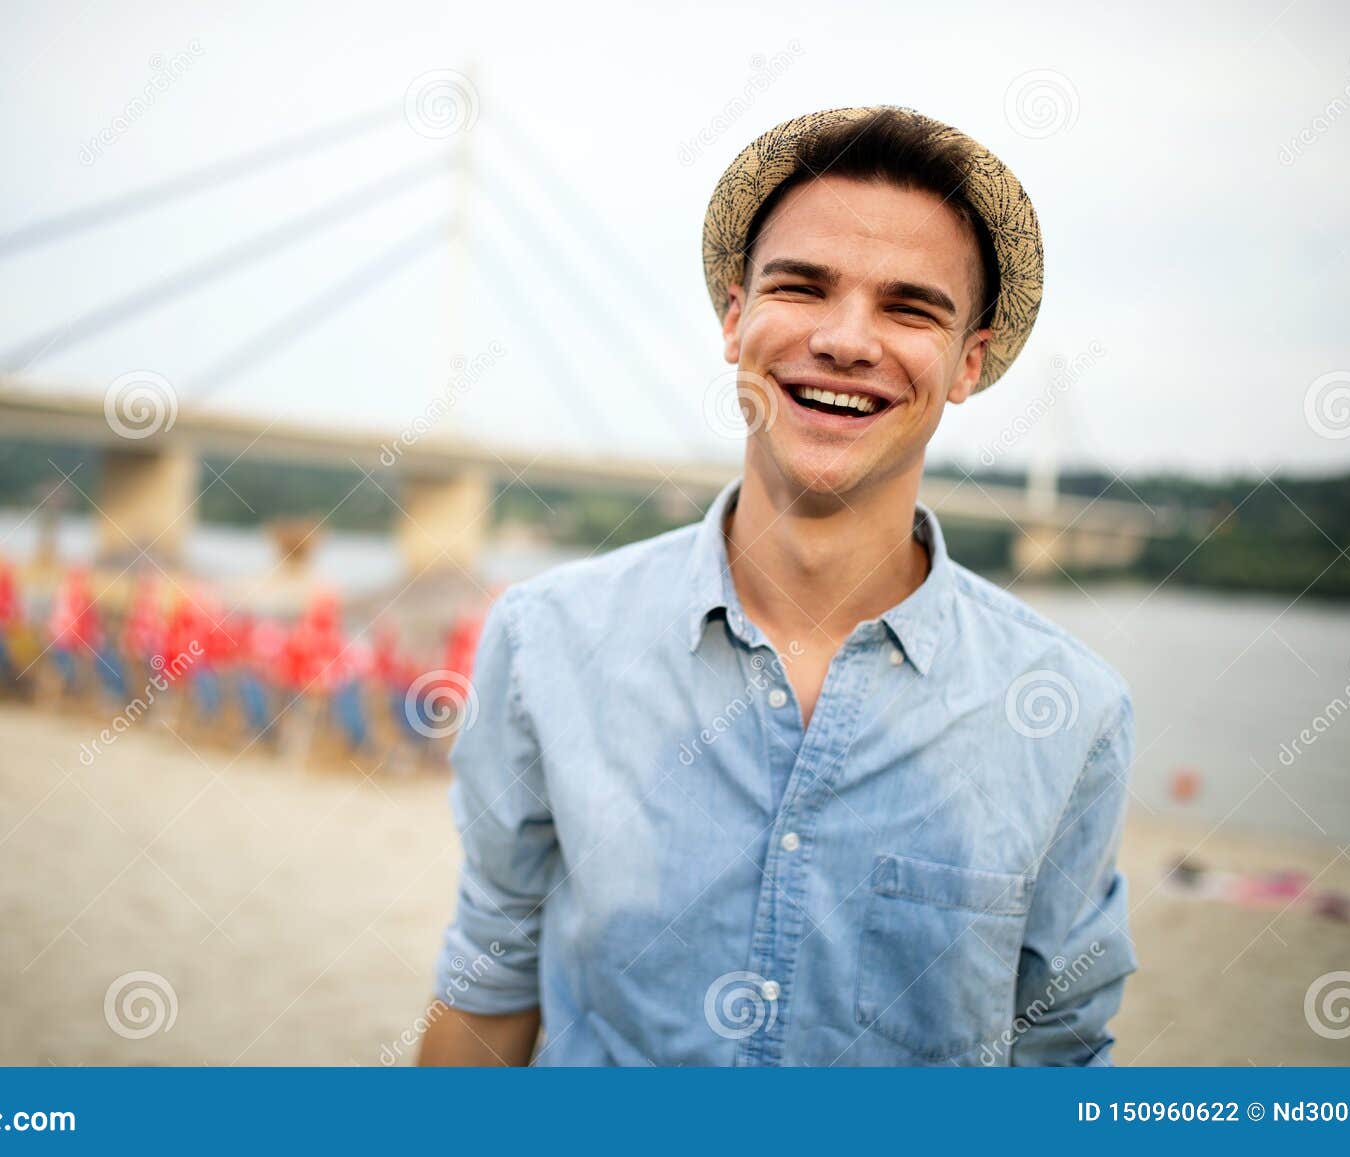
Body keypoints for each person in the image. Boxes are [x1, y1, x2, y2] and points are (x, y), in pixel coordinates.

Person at [418, 105, 1136, 1066]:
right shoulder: (547, 640)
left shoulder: (1071, 713)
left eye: (908, 307)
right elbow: (490, 987)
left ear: (970, 363)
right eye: (803, 286)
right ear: (733, 319)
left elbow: (1060, 1055)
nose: (845, 340)